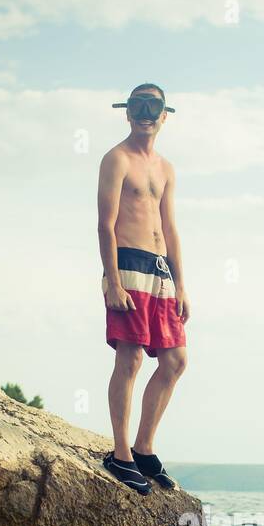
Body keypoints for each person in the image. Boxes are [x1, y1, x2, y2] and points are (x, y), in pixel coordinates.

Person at [97, 82, 190, 495]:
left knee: (175, 361)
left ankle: (144, 447)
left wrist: (181, 284)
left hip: (160, 272)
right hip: (128, 265)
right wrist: (112, 279)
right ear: (128, 112)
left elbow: (170, 228)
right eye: (139, 106)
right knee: (131, 358)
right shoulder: (116, 159)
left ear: (165, 115)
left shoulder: (166, 168)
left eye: (154, 107)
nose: (146, 113)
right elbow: (105, 224)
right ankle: (121, 455)